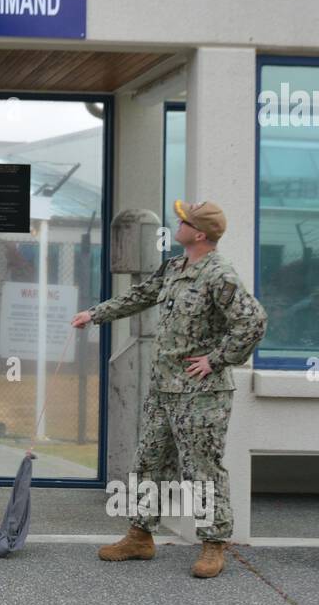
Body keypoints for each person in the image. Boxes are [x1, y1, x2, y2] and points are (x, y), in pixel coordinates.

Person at [71, 200, 267, 578]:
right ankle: (140, 536)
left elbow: (253, 321)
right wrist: (95, 315)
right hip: (163, 388)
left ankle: (213, 544)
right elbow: (141, 295)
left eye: (184, 221)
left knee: (202, 469)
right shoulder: (176, 267)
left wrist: (217, 359)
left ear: (199, 234)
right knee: (149, 462)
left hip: (202, 393)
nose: (176, 224)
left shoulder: (219, 274)